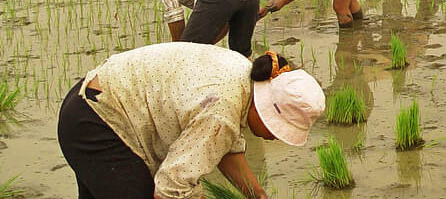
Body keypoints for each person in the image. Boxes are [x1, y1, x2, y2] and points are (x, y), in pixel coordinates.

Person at [57, 44, 324, 199]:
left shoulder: (244, 76)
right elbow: (170, 188)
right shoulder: (222, 111)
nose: (274, 138)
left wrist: (258, 197)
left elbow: (226, 149)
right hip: (100, 124)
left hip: (86, 106)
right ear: (266, 110)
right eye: (277, 129)